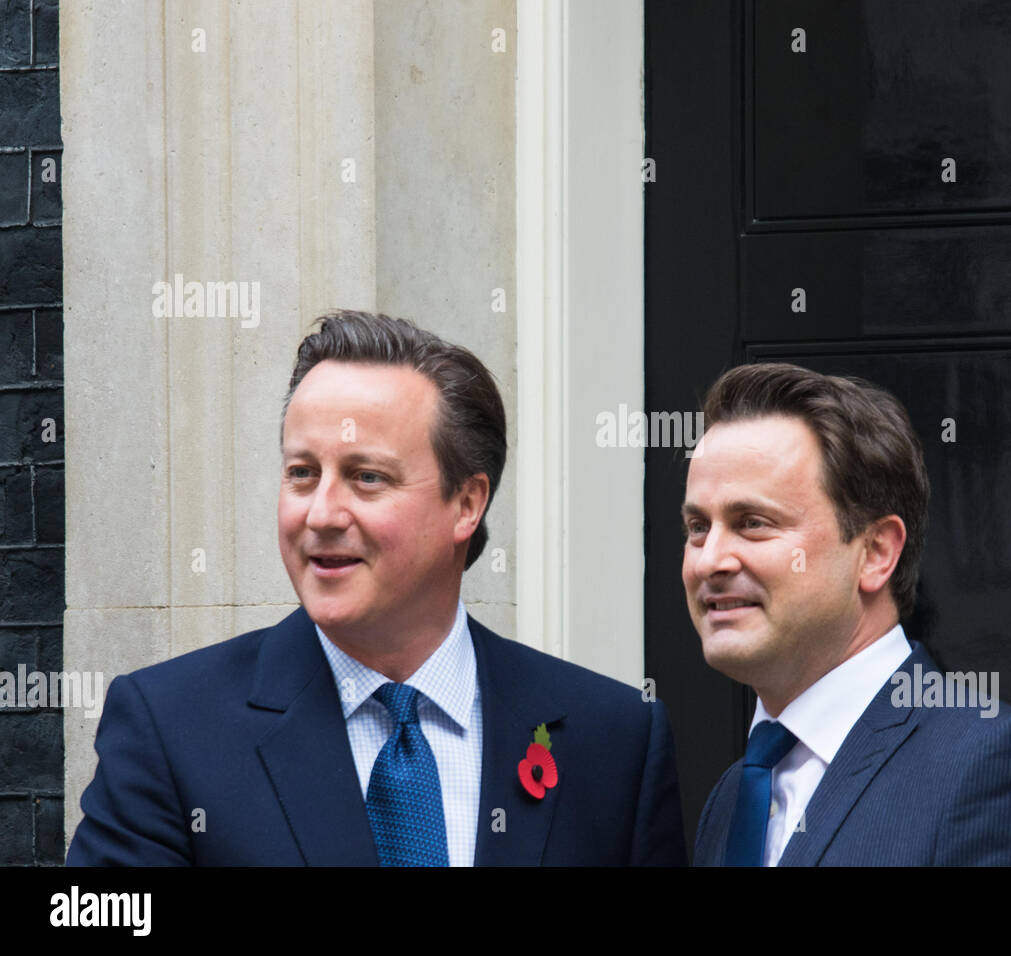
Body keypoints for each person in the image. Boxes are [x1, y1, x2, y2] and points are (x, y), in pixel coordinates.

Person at [67, 310, 686, 866]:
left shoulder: (613, 742)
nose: (322, 514)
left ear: (466, 503)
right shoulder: (171, 728)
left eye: (367, 478)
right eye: (302, 474)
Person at [683, 362, 1011, 866]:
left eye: (753, 523)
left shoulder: (1000, 771)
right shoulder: (731, 798)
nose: (710, 559)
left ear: (875, 552)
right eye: (698, 527)